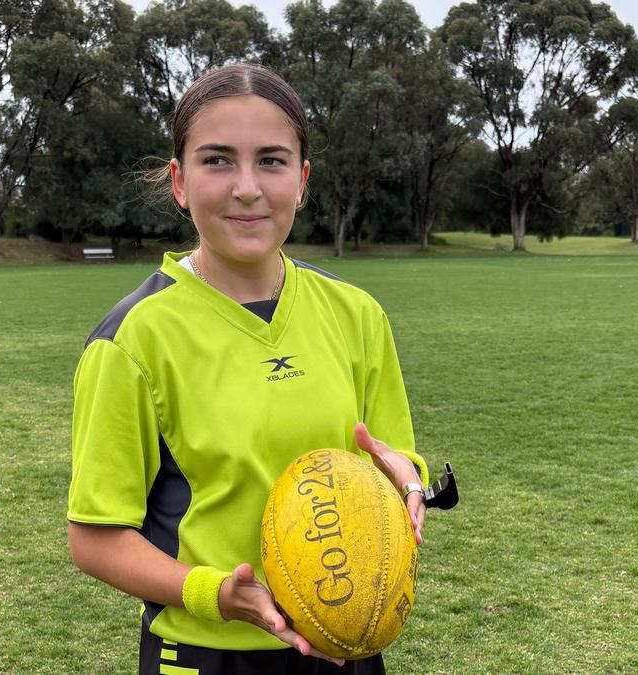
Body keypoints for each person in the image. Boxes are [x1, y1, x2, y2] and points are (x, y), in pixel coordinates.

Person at [68, 64, 428, 675]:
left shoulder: (357, 315)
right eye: (217, 161)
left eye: (271, 161)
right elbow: (94, 539)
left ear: (302, 180)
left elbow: (394, 463)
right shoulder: (134, 338)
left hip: (347, 647)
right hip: (207, 653)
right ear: (179, 182)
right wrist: (214, 594)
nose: (246, 188)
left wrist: (408, 485)